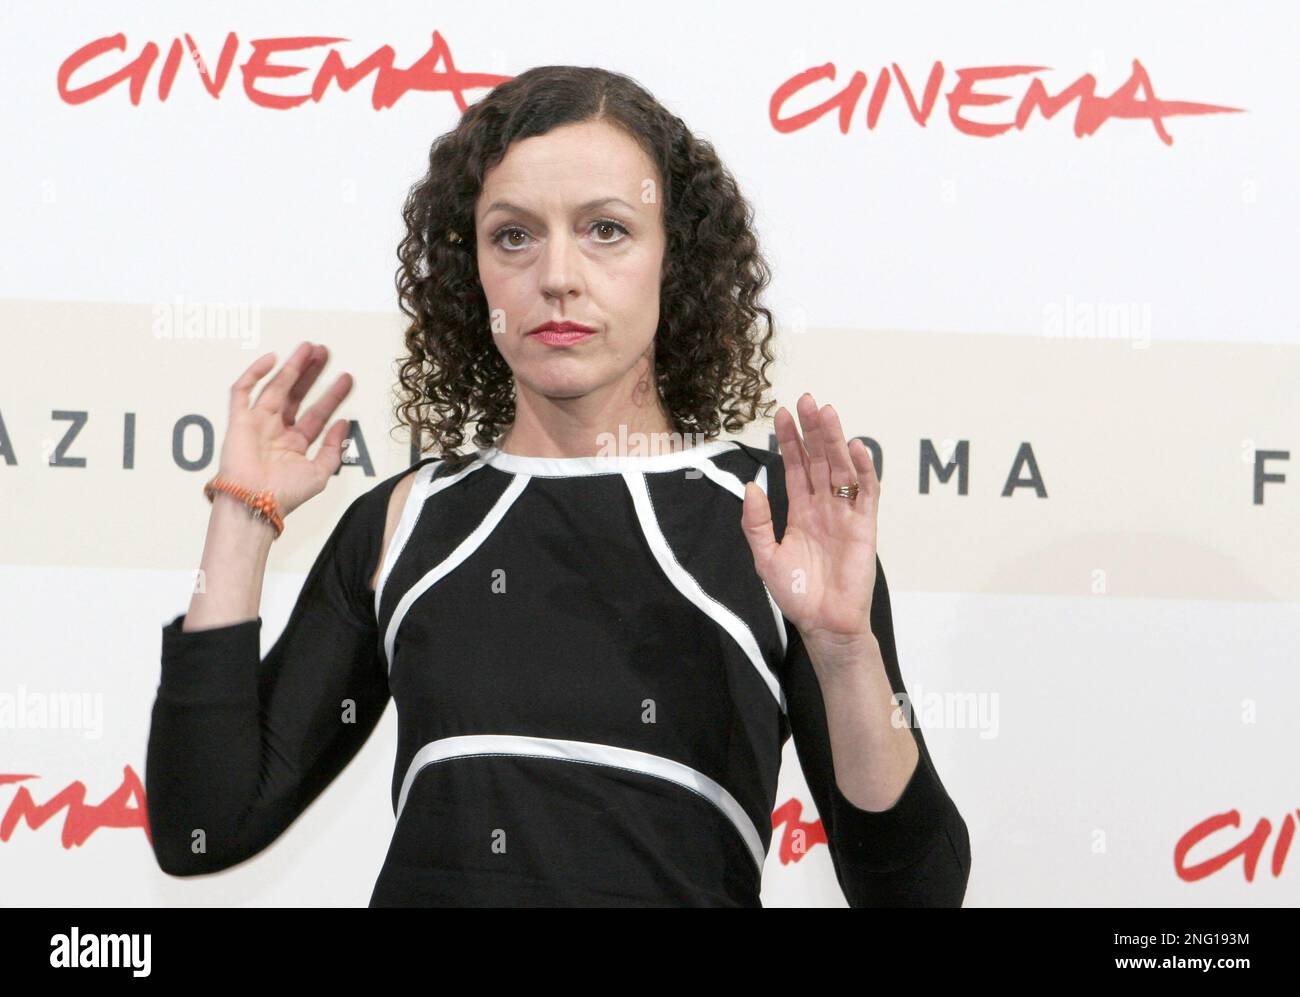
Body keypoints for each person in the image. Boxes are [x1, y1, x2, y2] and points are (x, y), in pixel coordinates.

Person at [144, 66, 971, 907]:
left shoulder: (770, 521)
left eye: (606, 229)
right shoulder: (402, 521)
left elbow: (917, 891)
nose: (557, 276)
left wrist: (843, 653)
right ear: (471, 271)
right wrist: (242, 522)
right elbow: (202, 827)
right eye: (513, 235)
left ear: (673, 260)